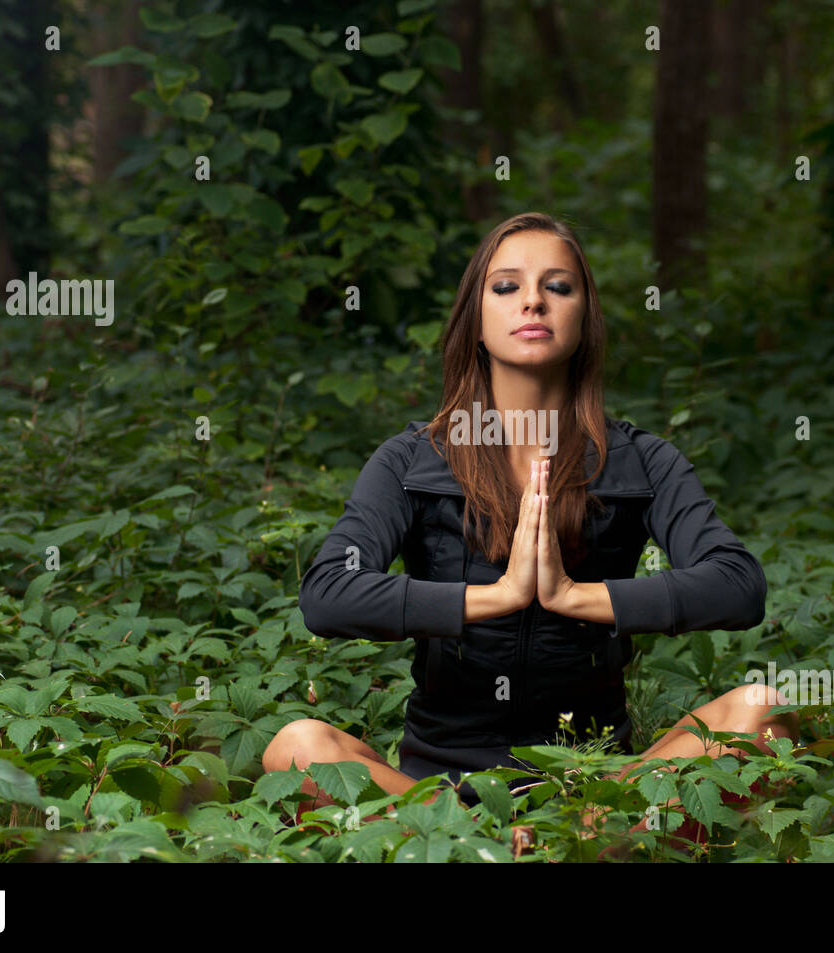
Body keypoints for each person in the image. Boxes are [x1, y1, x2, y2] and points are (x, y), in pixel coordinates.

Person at [261, 211, 798, 854]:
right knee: (296, 749)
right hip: (437, 792)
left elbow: (739, 585)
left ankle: (571, 840)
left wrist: (574, 596)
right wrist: (497, 597)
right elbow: (327, 594)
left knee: (762, 710)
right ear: (476, 320)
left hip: (596, 785)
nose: (534, 300)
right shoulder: (412, 460)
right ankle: (477, 841)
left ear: (583, 319)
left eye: (559, 286)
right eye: (507, 286)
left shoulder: (640, 460)